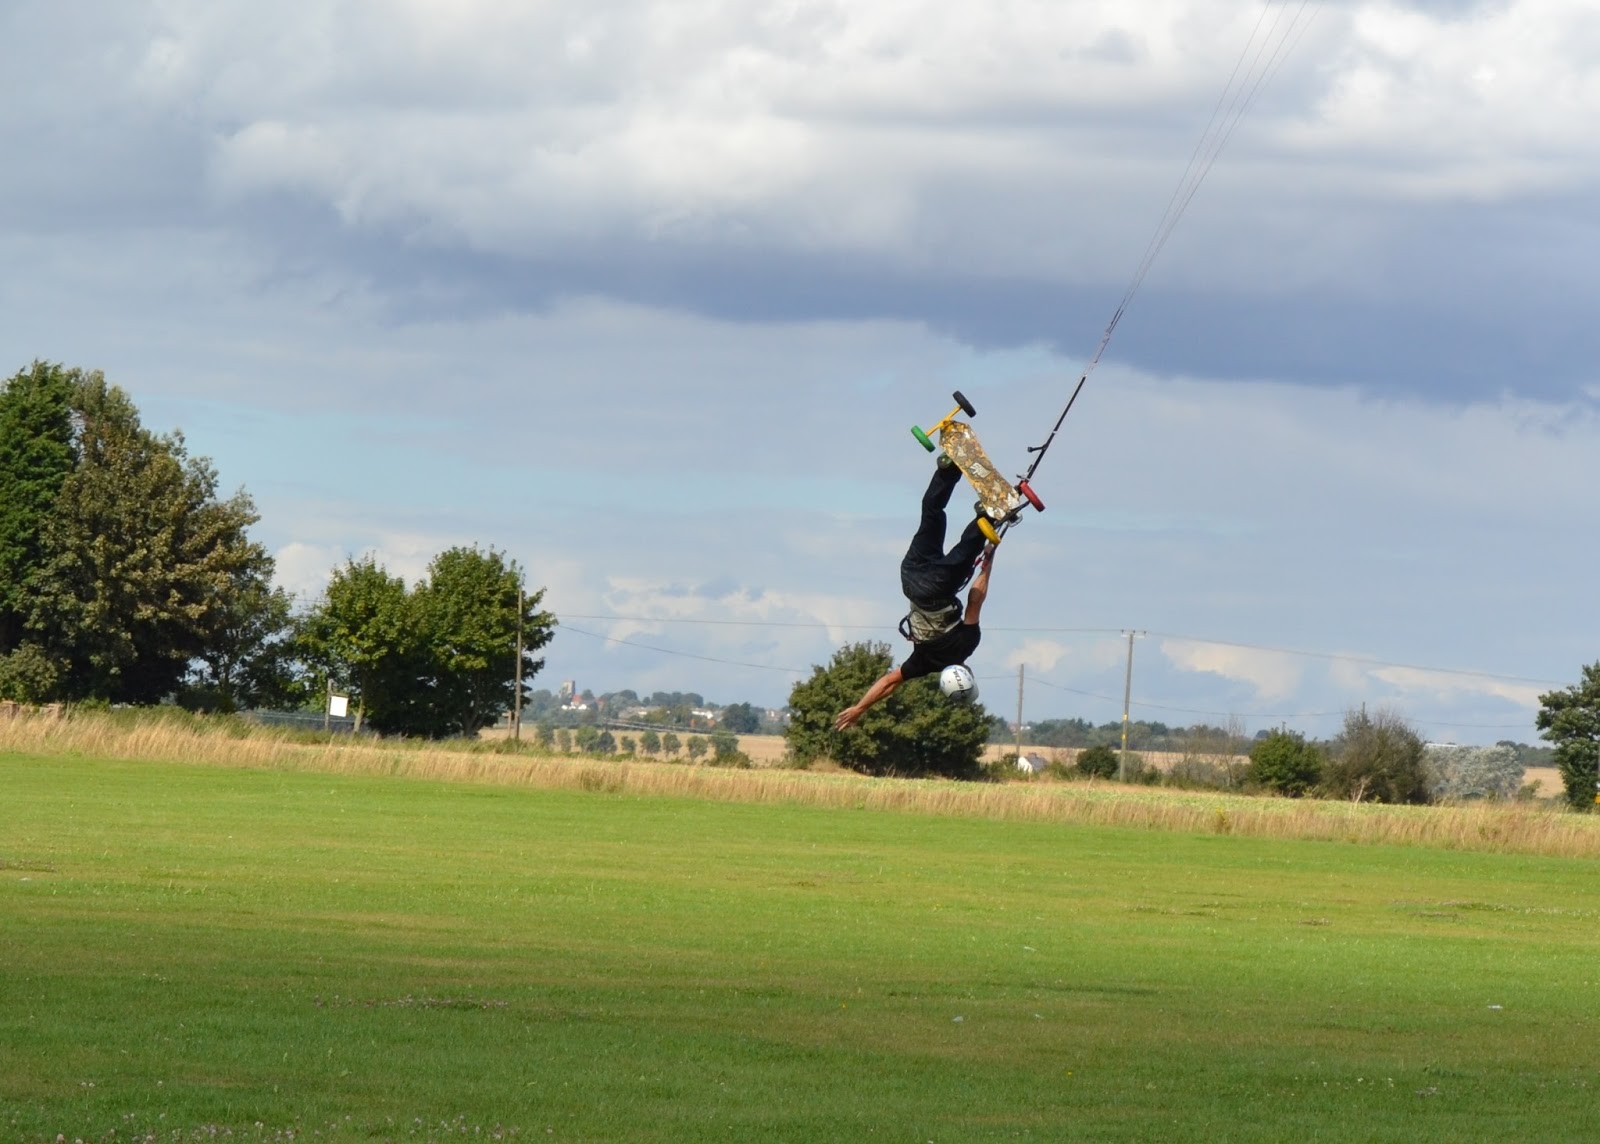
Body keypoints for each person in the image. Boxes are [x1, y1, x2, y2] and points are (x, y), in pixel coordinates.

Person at [835, 456, 996, 730]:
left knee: (963, 546)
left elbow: (975, 599)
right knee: (932, 516)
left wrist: (988, 563)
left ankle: (986, 512)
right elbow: (888, 684)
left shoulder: (967, 644)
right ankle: (947, 472)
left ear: (967, 672)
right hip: (910, 576)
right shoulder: (921, 664)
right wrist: (859, 708)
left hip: (937, 586)